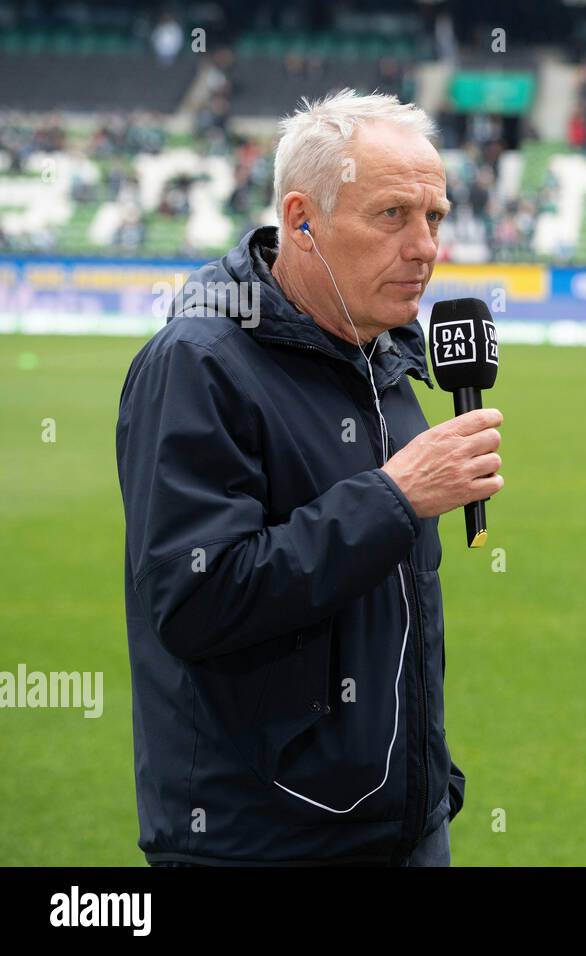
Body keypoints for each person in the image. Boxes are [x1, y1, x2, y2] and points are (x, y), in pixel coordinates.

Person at [116, 90, 504, 865]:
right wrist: (394, 498)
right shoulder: (200, 364)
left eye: (435, 217)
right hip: (262, 842)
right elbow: (196, 598)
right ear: (301, 219)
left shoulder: (386, 357)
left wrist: (426, 780)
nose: (426, 246)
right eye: (394, 215)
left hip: (402, 825)